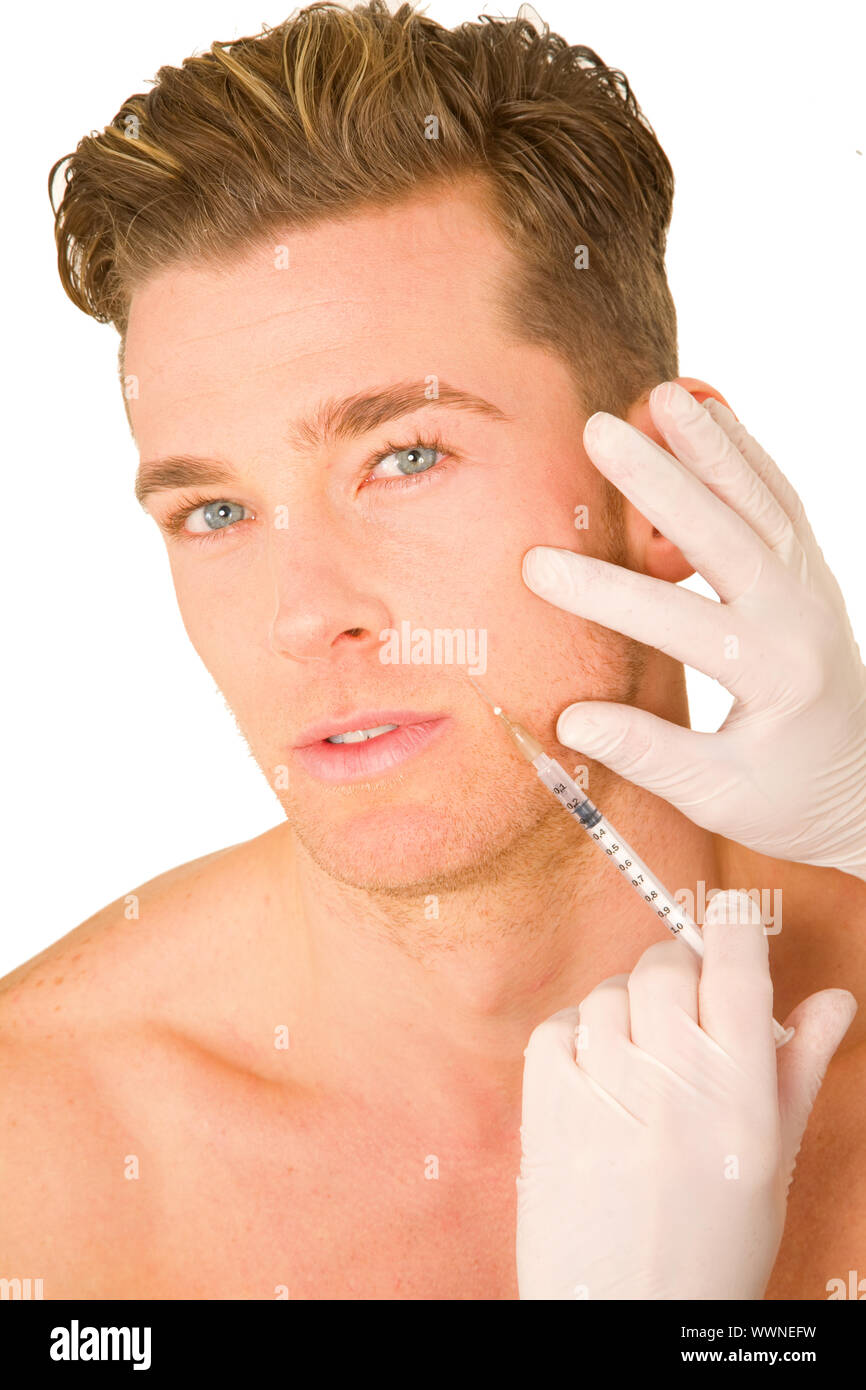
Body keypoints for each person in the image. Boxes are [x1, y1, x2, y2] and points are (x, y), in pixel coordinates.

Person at [1, 2, 863, 1299]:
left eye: (403, 456)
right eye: (215, 510)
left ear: (666, 485)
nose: (304, 616)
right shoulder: (45, 1154)